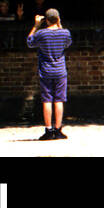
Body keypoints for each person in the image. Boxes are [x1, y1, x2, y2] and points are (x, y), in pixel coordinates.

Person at [25, 7, 72, 140]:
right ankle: (58, 129)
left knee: (47, 100)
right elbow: (68, 43)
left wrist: (35, 26)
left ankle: (48, 130)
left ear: (46, 20)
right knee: (59, 100)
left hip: (45, 71)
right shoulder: (65, 33)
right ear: (57, 19)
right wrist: (60, 24)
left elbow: (29, 42)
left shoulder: (41, 34)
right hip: (60, 71)